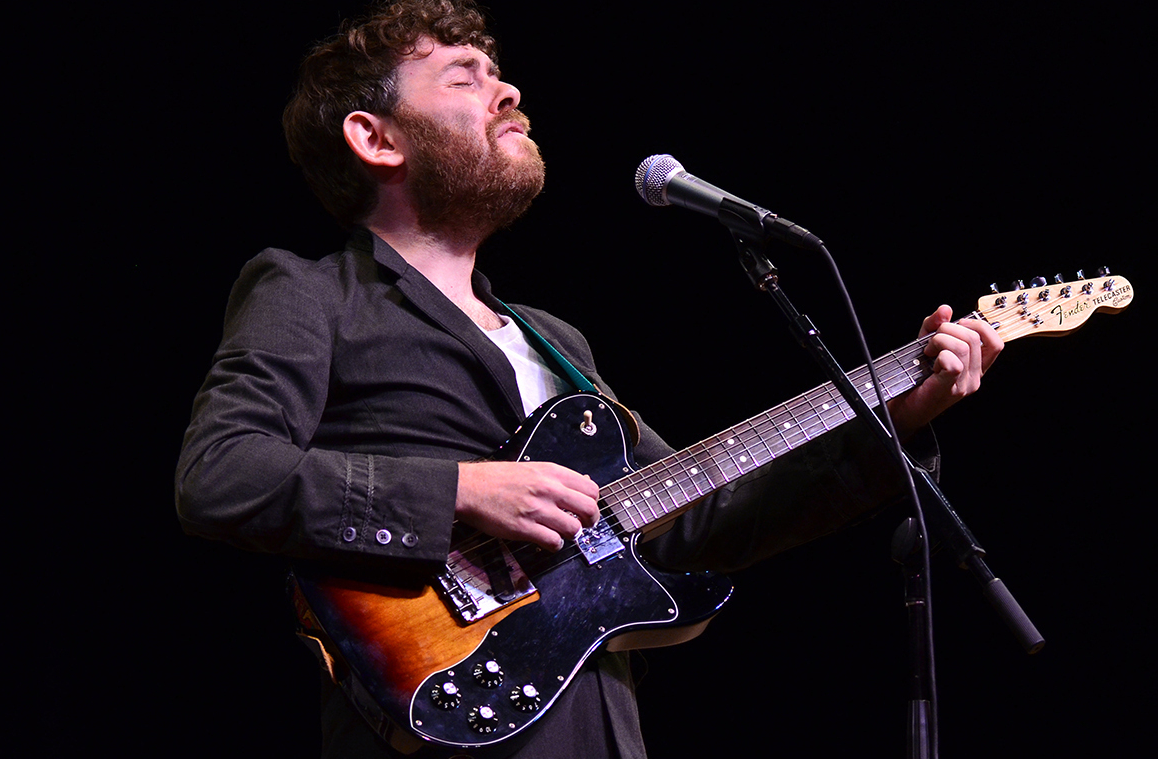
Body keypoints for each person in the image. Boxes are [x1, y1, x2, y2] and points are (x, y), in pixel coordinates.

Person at [174, 1, 1003, 756]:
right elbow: (222, 474)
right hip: (435, 711)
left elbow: (698, 520)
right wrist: (461, 490)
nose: (508, 93)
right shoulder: (310, 291)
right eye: (466, 76)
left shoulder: (558, 340)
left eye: (499, 73)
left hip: (595, 726)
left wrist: (896, 414)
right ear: (376, 137)